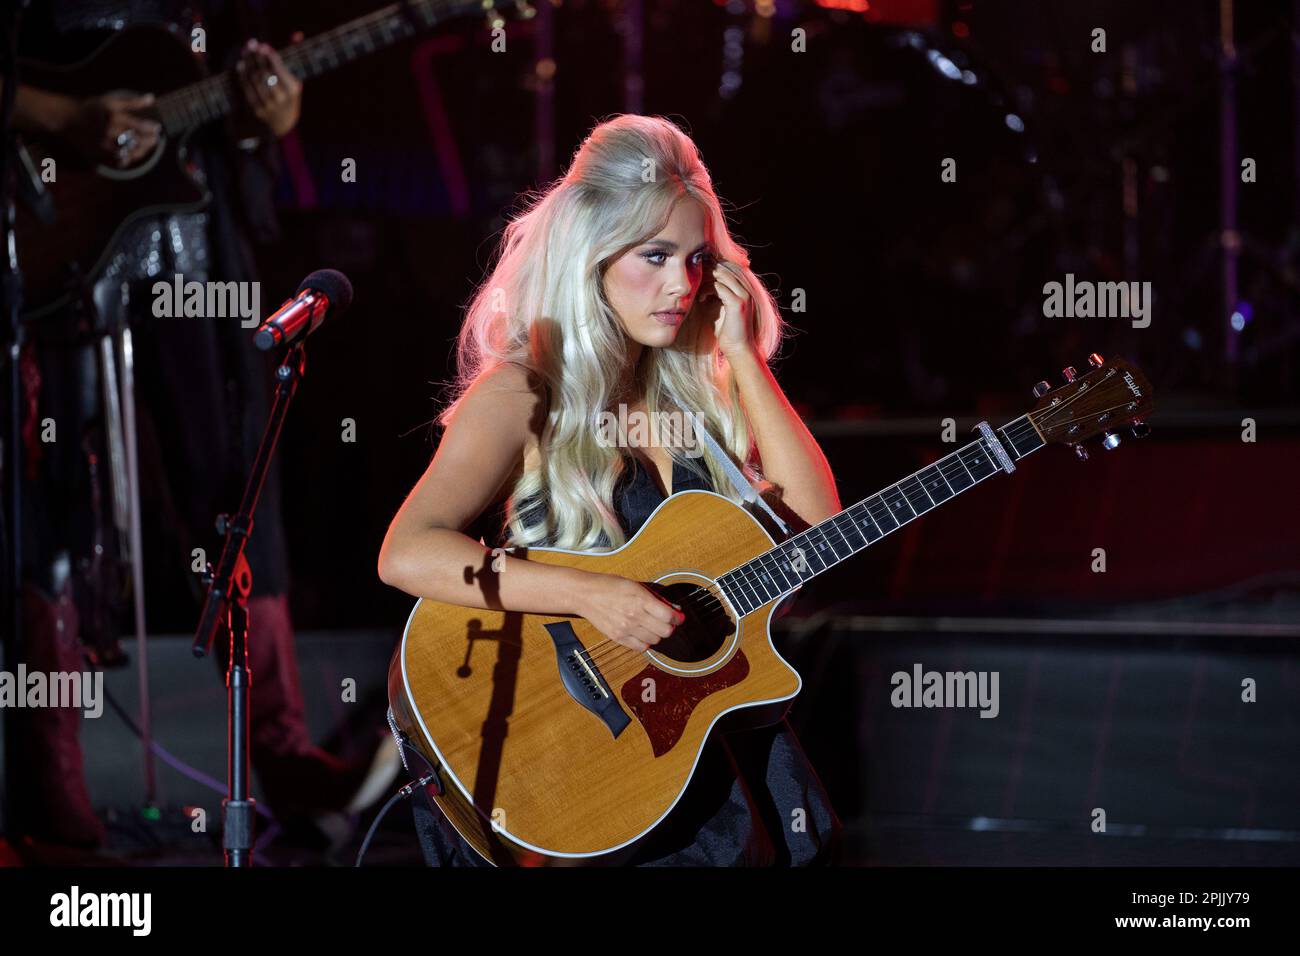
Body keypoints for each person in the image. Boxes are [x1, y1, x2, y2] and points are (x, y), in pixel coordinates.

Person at [378, 114, 843, 866]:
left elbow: (818, 529)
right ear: (590, 257)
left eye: (696, 260)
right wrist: (593, 596)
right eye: (653, 256)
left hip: (704, 742)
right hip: (584, 758)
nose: (680, 285)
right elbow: (406, 553)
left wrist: (742, 357)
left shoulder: (694, 395)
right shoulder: (524, 389)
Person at [5, 2, 393, 850]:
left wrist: (271, 114)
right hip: (54, 229)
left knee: (238, 484)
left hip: (192, 233)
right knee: (56, 501)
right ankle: (48, 766)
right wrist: (63, 114)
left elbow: (243, 79)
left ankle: (281, 753)